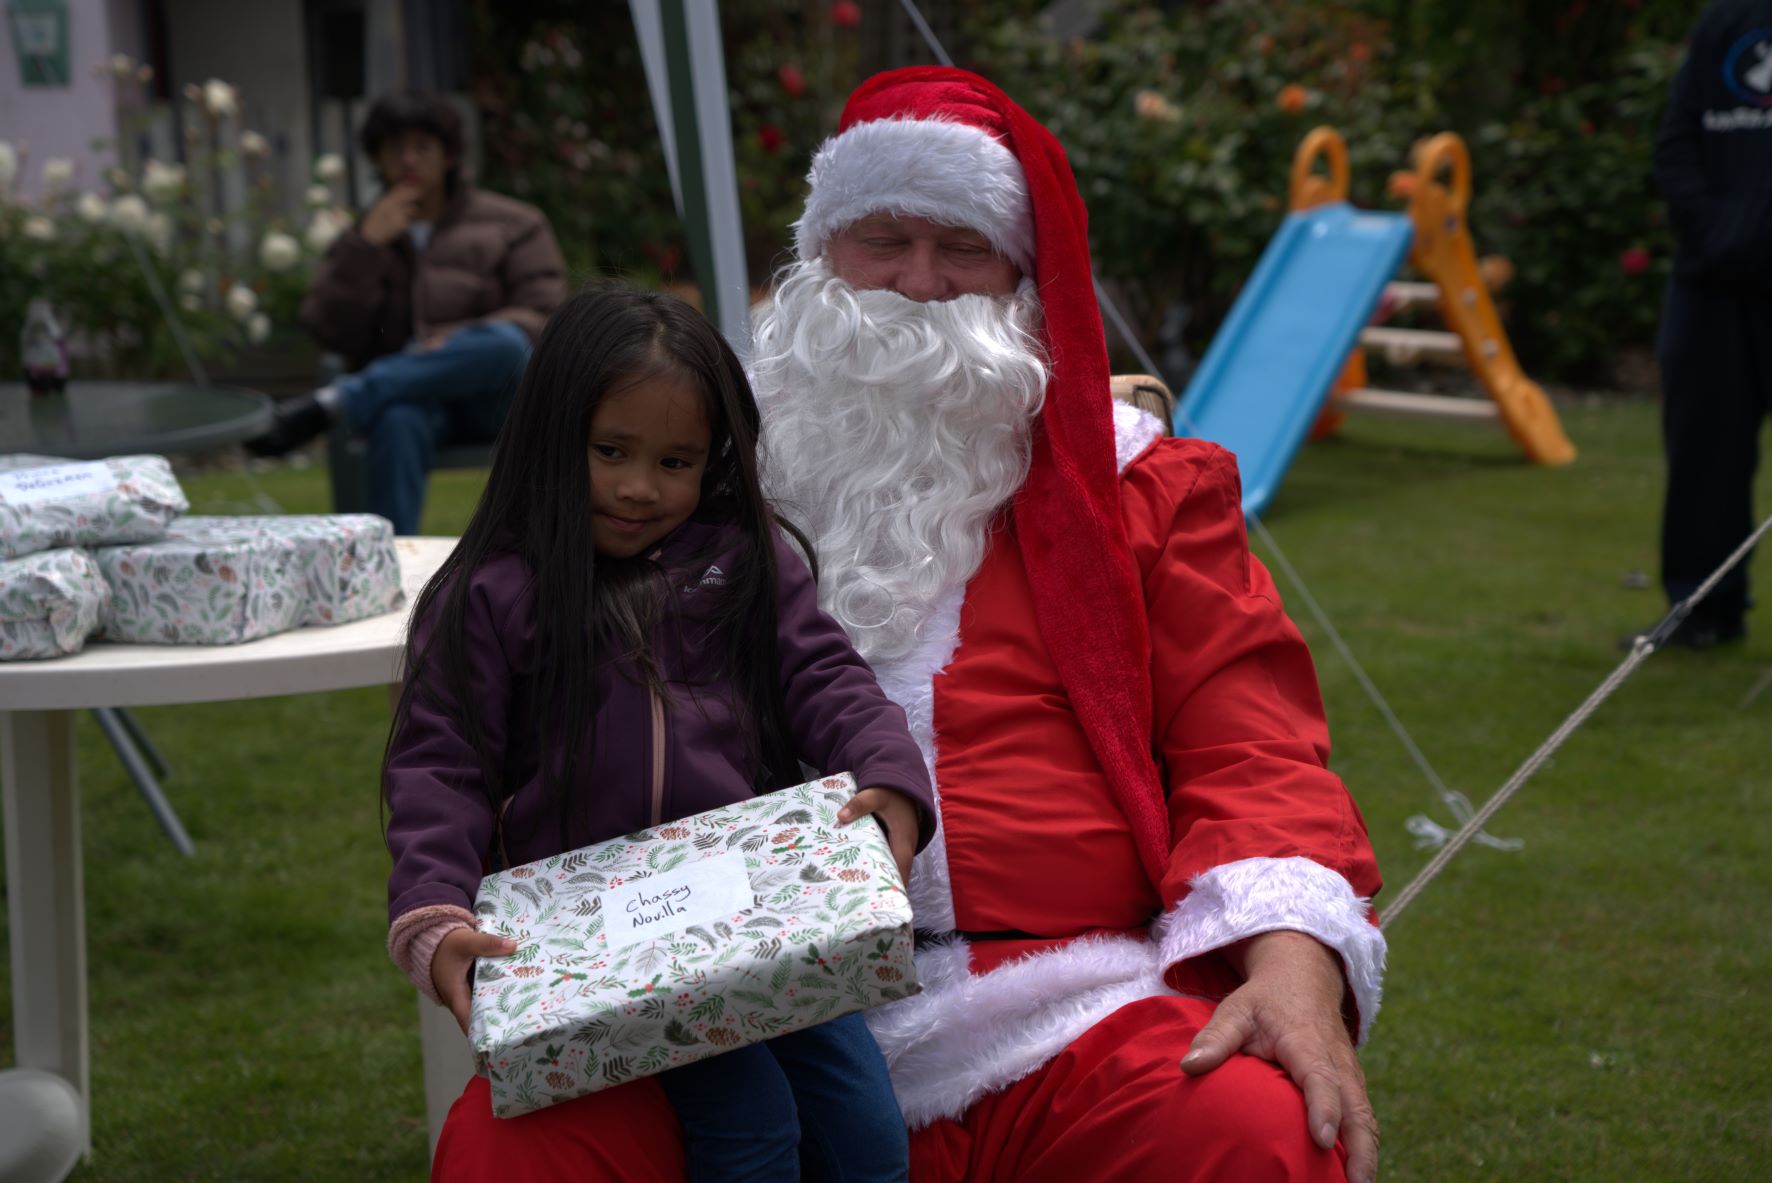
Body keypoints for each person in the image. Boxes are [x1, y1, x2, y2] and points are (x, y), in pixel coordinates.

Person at [426, 69, 1385, 1183]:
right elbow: (485, 701)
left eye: (964, 248)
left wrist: (1293, 960)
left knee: (1252, 1135)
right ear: (819, 253)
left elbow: (1251, 743)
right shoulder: (681, 474)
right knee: (517, 1153)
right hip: (726, 993)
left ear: (1022, 276)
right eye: (882, 240)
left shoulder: (1142, 490)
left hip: (1058, 999)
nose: (920, 285)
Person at [382, 287, 935, 1181]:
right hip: (605, 945)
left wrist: (885, 768)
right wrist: (434, 909)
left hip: (763, 908)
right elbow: (440, 767)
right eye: (611, 451)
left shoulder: (742, 556)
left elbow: (824, 675)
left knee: (865, 1124)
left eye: (676, 461)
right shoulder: (492, 592)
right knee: (749, 1123)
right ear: (551, 432)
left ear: (714, 458)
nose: (640, 486)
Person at [247, 90, 567, 536]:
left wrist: (456, 339)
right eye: (395, 148)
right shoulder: (365, 235)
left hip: (498, 402)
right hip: (413, 404)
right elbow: (328, 329)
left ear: (449, 155)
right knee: (398, 417)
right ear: (377, 159)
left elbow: (548, 316)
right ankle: (392, 558)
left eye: (422, 146)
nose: (409, 160)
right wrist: (364, 248)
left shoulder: (513, 223)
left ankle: (337, 401)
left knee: (507, 343)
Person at [1640, 0, 1772, 648]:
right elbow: (1677, 142)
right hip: (1709, 284)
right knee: (1704, 449)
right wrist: (1716, 231)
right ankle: (1701, 610)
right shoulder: (1725, 21)